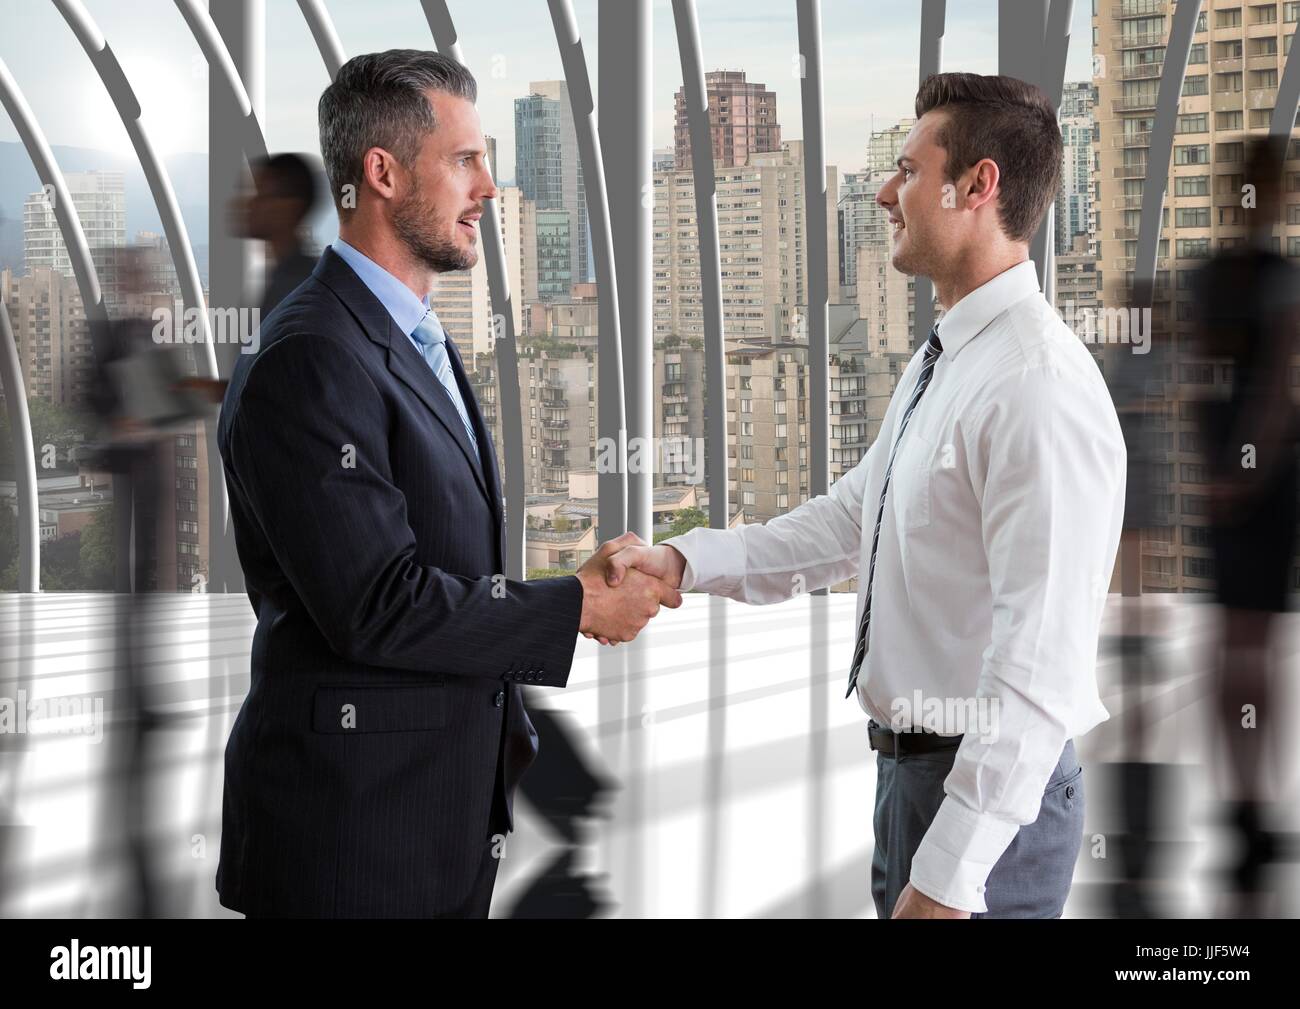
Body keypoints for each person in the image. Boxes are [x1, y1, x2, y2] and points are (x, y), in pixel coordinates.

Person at [604, 73, 1127, 919]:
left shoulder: (1036, 386)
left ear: (978, 186)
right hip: (913, 778)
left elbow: (1038, 669)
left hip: (987, 806)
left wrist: (949, 876)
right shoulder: (946, 358)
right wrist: (681, 560)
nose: (886, 192)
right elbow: (856, 518)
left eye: (910, 171)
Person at [215, 49, 679, 918]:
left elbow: (438, 549)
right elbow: (376, 604)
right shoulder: (313, 355)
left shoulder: (406, 334)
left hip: (435, 823)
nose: (491, 187)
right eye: (466, 160)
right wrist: (573, 604)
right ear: (382, 173)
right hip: (352, 847)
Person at [1191, 135, 1299, 917]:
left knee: (1236, 651)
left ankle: (1244, 802)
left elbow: (1198, 379)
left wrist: (1220, 473)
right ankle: (1252, 803)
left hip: (1232, 484)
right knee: (1249, 652)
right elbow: (1279, 392)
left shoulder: (1207, 281)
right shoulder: (1281, 285)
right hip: (1262, 485)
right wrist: (1250, 471)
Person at [228, 152, 324, 315]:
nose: (249, 203)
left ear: (290, 207)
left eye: (262, 195)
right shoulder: (285, 278)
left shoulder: (296, 287)